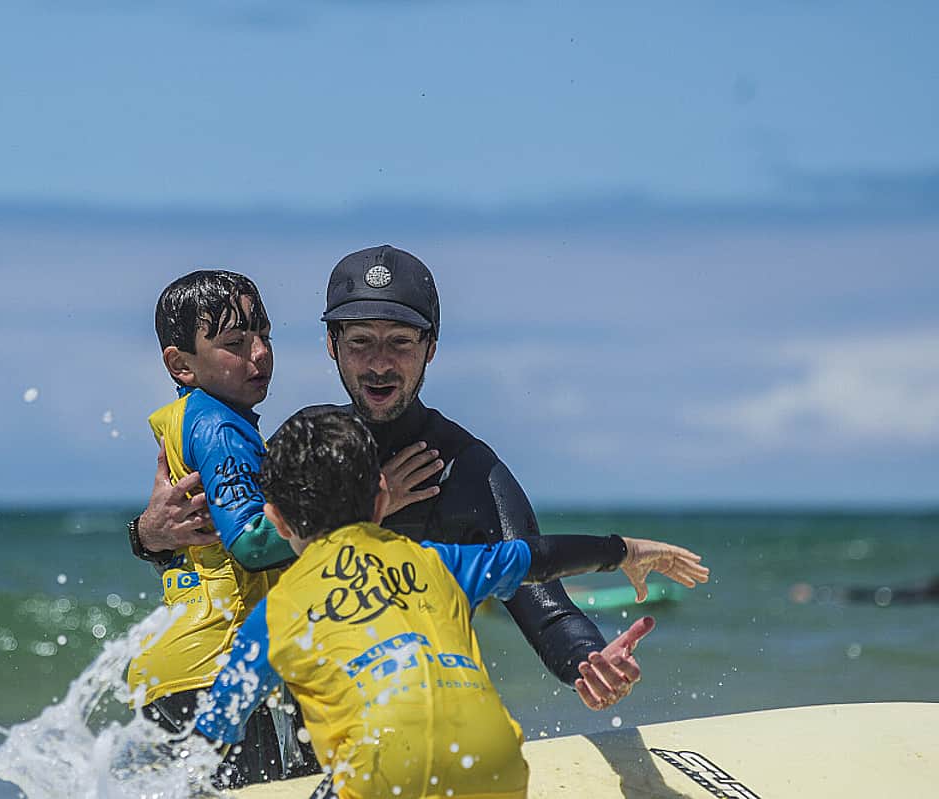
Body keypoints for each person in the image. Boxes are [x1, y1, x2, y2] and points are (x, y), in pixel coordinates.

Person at [131, 245, 668, 778]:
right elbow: (239, 548)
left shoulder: (469, 472)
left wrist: (586, 660)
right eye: (361, 342)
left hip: (425, 755)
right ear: (331, 345)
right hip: (312, 763)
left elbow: (541, 599)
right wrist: (149, 537)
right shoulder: (309, 446)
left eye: (401, 343)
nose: (380, 362)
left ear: (430, 348)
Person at [192, 409, 710, 799]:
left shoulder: (277, 611)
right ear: (380, 498)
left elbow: (212, 733)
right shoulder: (442, 562)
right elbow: (540, 557)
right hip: (497, 764)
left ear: (277, 521)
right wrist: (627, 550)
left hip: (386, 775)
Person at [125, 270, 312, 786]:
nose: (260, 354)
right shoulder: (221, 428)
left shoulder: (193, 420)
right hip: (218, 664)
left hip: (179, 667)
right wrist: (349, 515)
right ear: (179, 364)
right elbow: (251, 544)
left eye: (265, 335)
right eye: (235, 343)